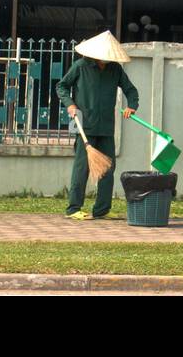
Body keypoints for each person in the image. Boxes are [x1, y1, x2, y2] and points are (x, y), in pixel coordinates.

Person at [55, 30, 139, 220]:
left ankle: (102, 210)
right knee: (82, 168)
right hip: (83, 124)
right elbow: (61, 86)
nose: (106, 60)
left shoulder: (115, 69)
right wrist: (70, 105)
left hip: (106, 127)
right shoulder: (80, 66)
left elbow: (130, 90)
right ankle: (74, 209)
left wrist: (132, 107)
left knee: (108, 168)